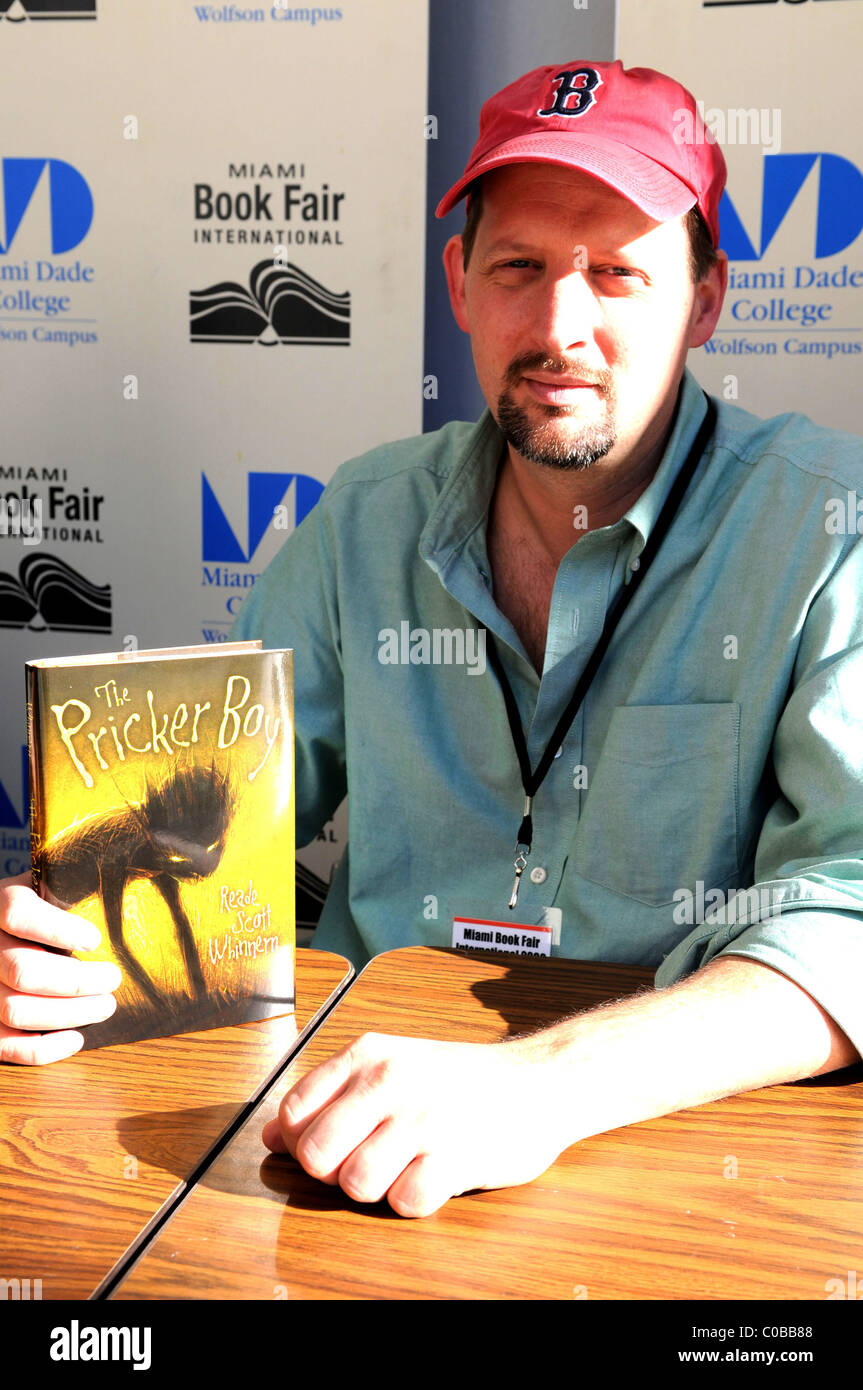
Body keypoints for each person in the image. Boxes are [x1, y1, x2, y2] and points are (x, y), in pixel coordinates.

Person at [2, 61, 862, 1219]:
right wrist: (54, 941)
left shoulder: (820, 526)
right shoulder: (364, 516)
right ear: (457, 282)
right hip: (345, 1127)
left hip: (671, 1156)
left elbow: (851, 914)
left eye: (617, 272)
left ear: (705, 299)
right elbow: (204, 826)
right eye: (518, 268)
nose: (561, 326)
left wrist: (536, 1091)